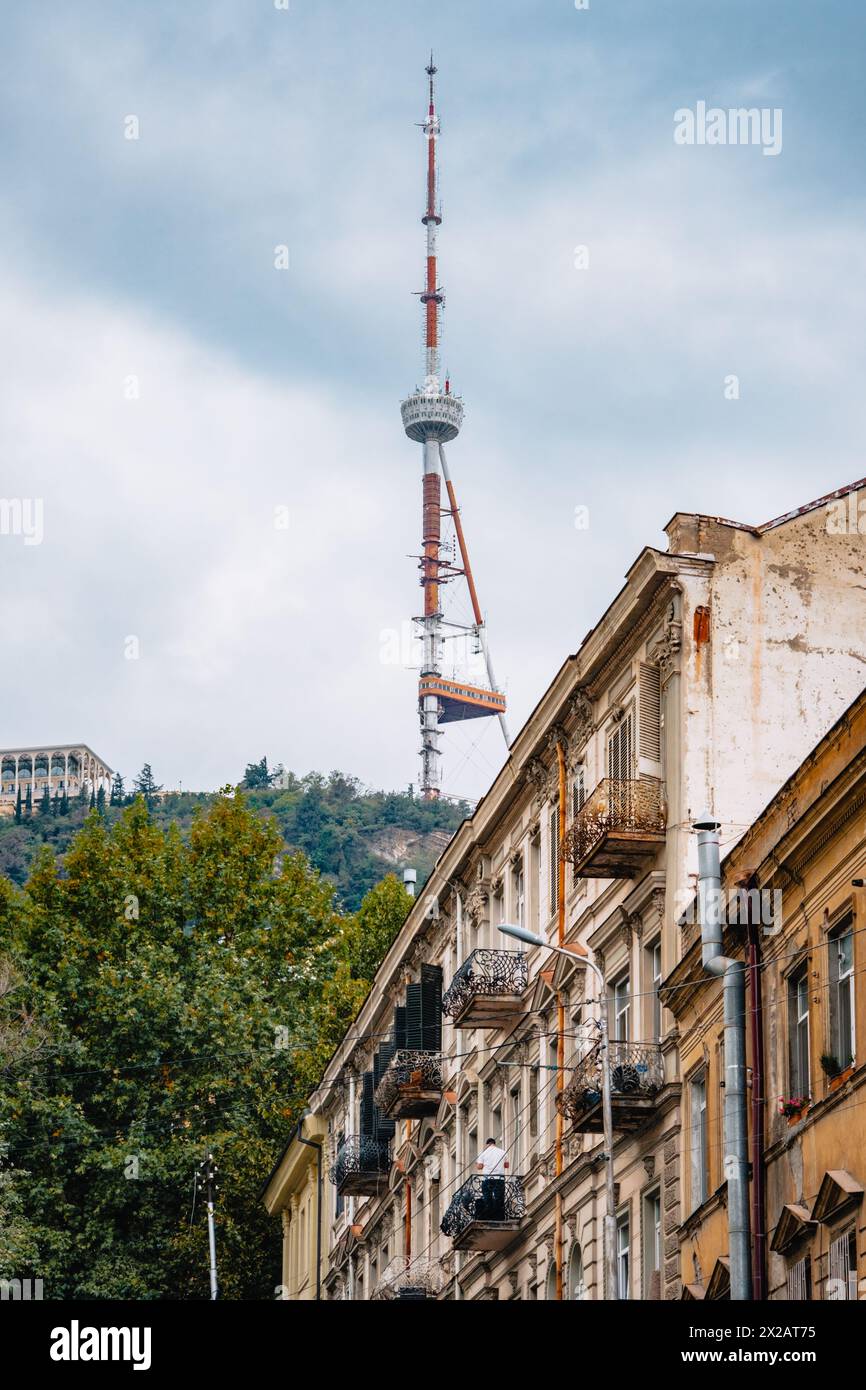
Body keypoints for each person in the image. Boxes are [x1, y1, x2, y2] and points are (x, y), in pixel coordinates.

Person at [475, 1138, 508, 1220]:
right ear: (494, 1143)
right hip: (499, 1178)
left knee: (487, 1197)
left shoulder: (483, 1153)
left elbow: (479, 1167)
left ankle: (489, 1213)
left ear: (487, 1144)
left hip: (488, 1178)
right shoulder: (502, 1152)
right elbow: (507, 1165)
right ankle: (499, 1215)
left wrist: (478, 1164)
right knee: (499, 1197)